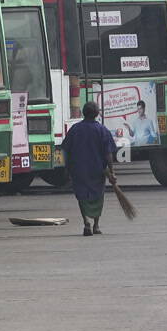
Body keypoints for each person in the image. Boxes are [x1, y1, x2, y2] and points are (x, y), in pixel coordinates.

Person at [61, 101, 117, 236]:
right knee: (98, 196)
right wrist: (112, 172)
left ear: (83, 113)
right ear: (97, 114)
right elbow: (108, 154)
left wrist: (67, 167)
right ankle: (96, 225)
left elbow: (65, 150)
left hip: (79, 169)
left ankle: (86, 222)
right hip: (97, 170)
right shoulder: (102, 130)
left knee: (81, 196)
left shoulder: (75, 129)